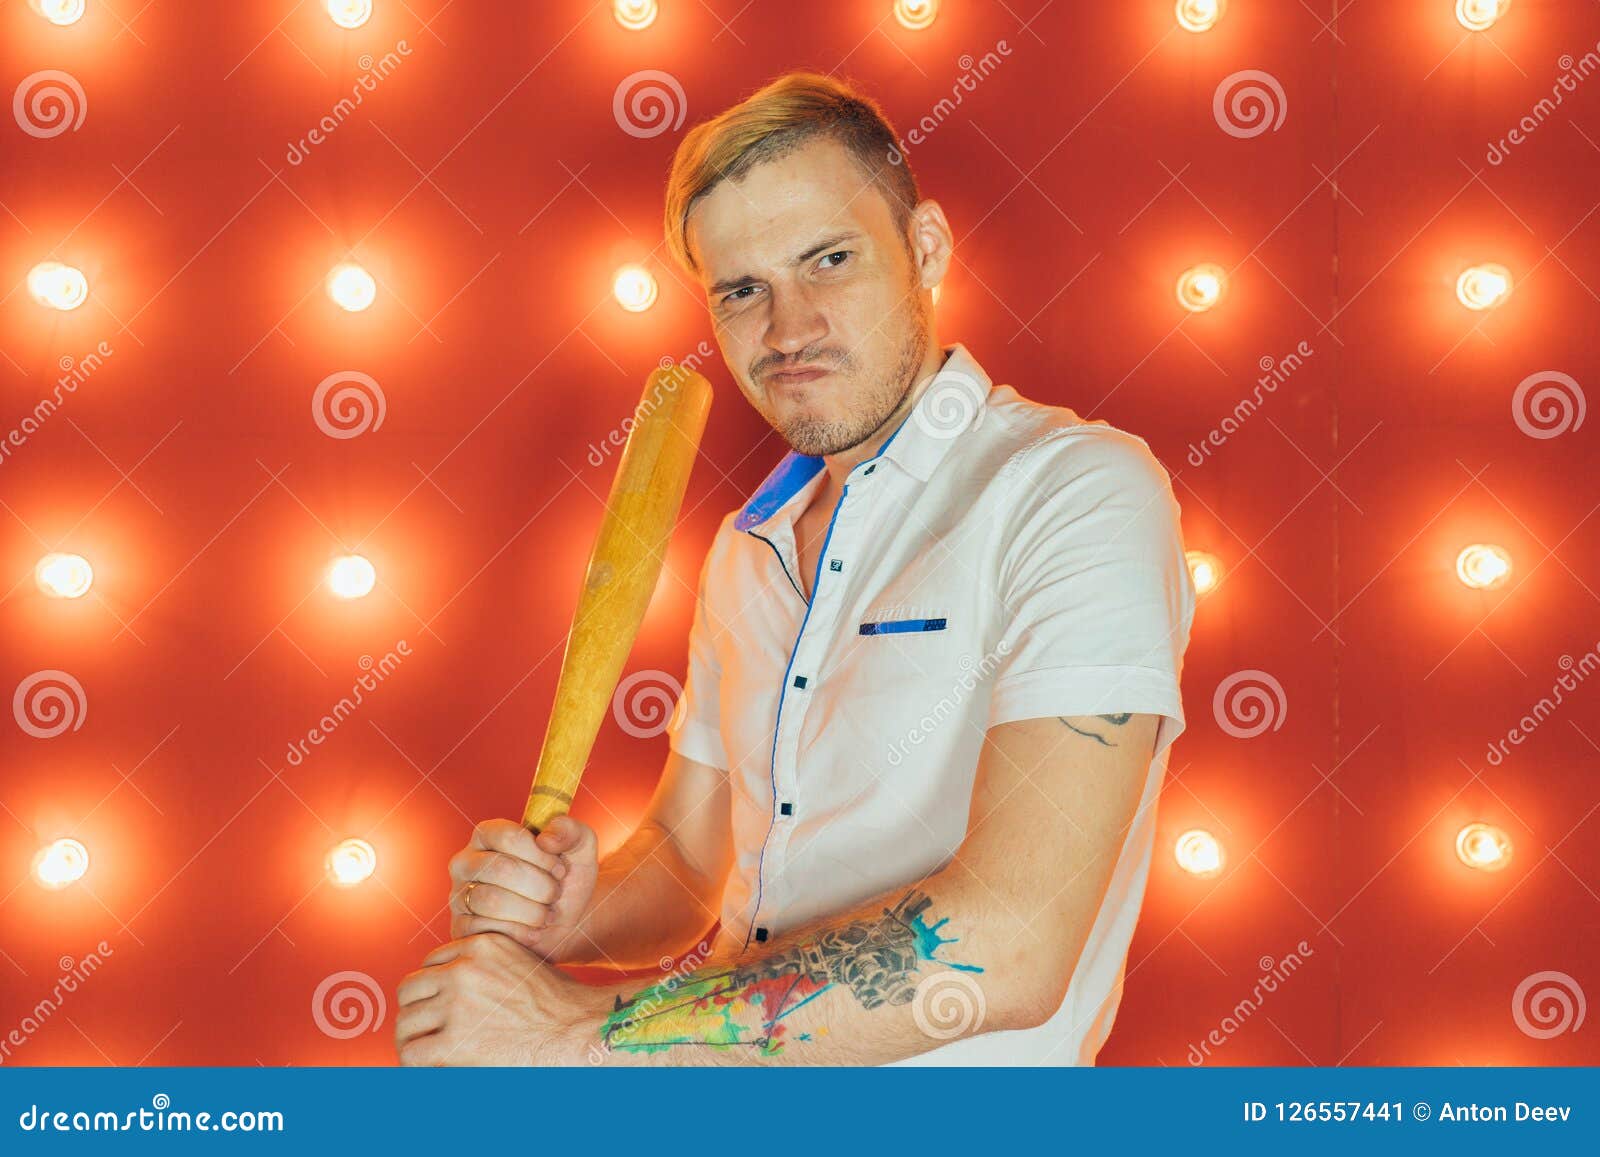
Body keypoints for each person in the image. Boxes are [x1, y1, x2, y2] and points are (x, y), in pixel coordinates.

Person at [396, 70, 1195, 1067]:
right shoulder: (747, 544)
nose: (787, 326)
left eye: (828, 258)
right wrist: (576, 913)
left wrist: (576, 1038)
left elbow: (1008, 942)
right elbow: (689, 862)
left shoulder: (1071, 488)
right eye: (743, 289)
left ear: (927, 248)